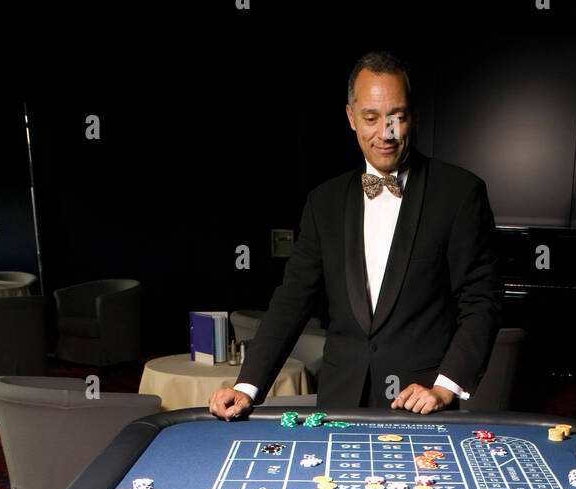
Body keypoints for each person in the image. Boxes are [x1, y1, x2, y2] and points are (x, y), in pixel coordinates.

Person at [209, 50, 501, 419]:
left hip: (420, 404)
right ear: (351, 117)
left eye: (397, 117)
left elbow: (481, 301)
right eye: (371, 118)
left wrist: (444, 388)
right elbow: (292, 300)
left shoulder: (459, 193)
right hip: (338, 403)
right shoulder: (323, 202)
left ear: (414, 115)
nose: (386, 133)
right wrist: (246, 386)